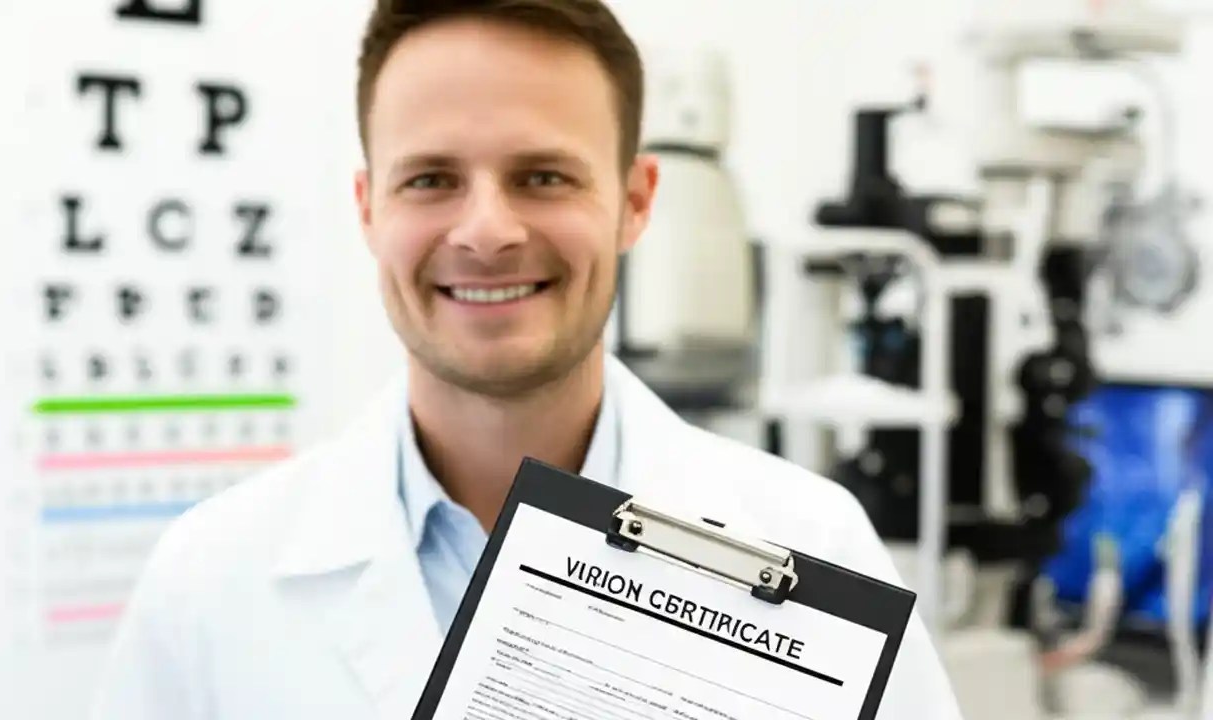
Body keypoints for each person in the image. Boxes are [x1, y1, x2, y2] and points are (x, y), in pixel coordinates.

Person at [91, 1, 963, 718]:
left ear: (633, 202)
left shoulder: (815, 549)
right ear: (368, 208)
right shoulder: (209, 585)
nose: (487, 232)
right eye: (430, 178)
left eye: (543, 176)